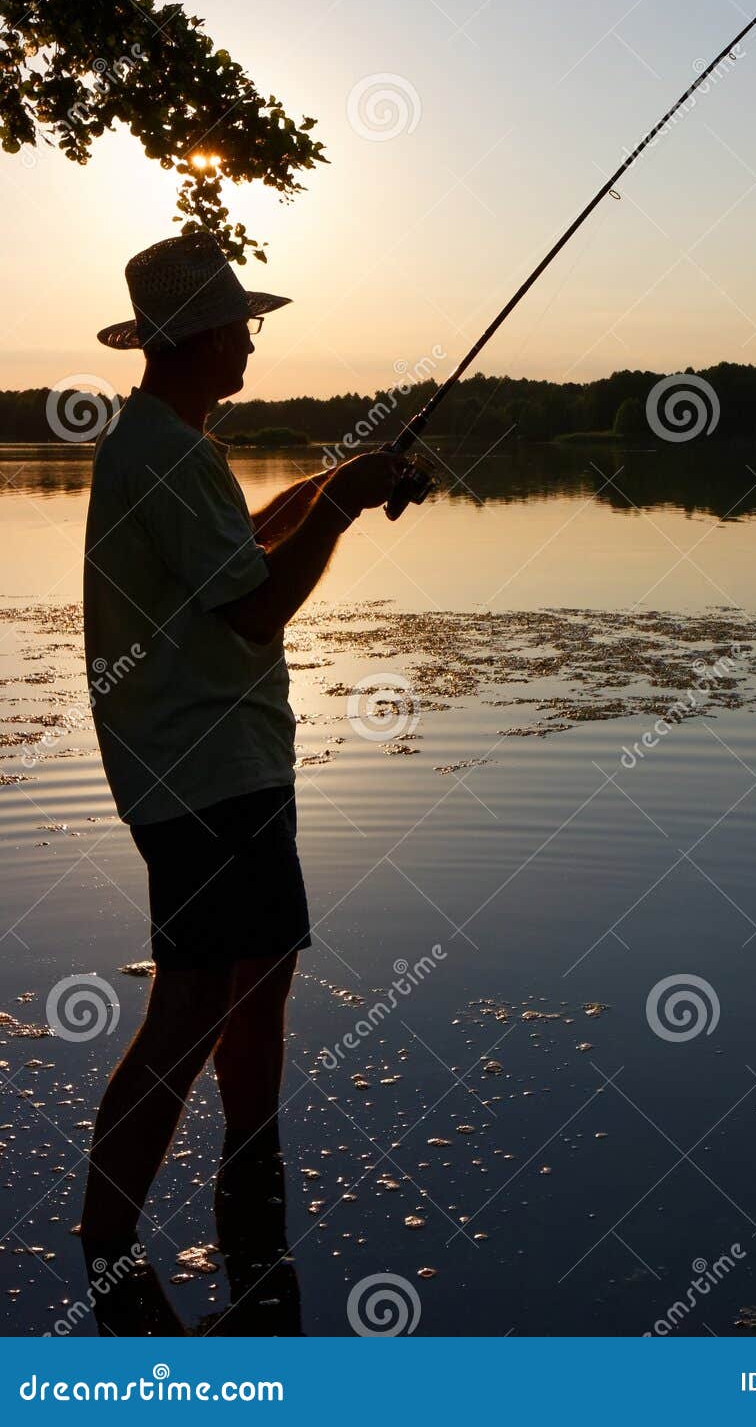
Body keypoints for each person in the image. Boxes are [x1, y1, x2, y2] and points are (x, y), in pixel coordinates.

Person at [78, 231, 404, 1254]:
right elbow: (255, 609)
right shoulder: (165, 454)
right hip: (204, 774)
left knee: (259, 979)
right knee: (192, 1005)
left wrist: (327, 484)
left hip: (222, 767)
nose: (252, 348)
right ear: (205, 338)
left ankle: (251, 1183)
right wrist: (343, 508)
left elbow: (241, 545)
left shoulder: (165, 444)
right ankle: (104, 1244)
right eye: (242, 330)